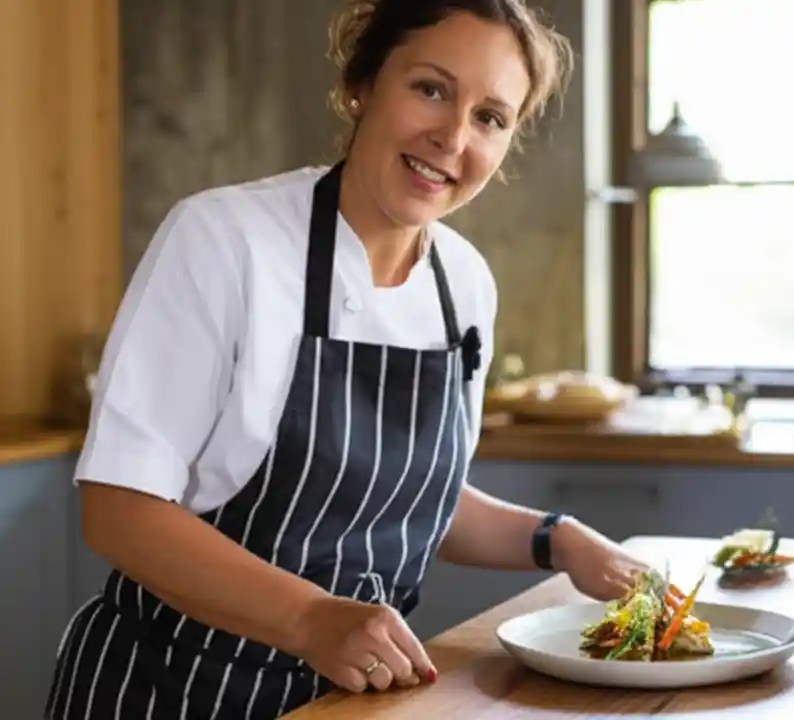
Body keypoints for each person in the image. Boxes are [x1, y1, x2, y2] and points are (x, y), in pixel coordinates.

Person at [45, 1, 649, 717]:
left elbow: (410, 498)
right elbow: (119, 509)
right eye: (430, 88)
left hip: (350, 698)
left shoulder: (464, 282)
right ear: (362, 83)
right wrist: (311, 619)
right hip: (173, 685)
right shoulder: (226, 239)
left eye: (491, 117)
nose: (453, 136)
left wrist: (558, 539)